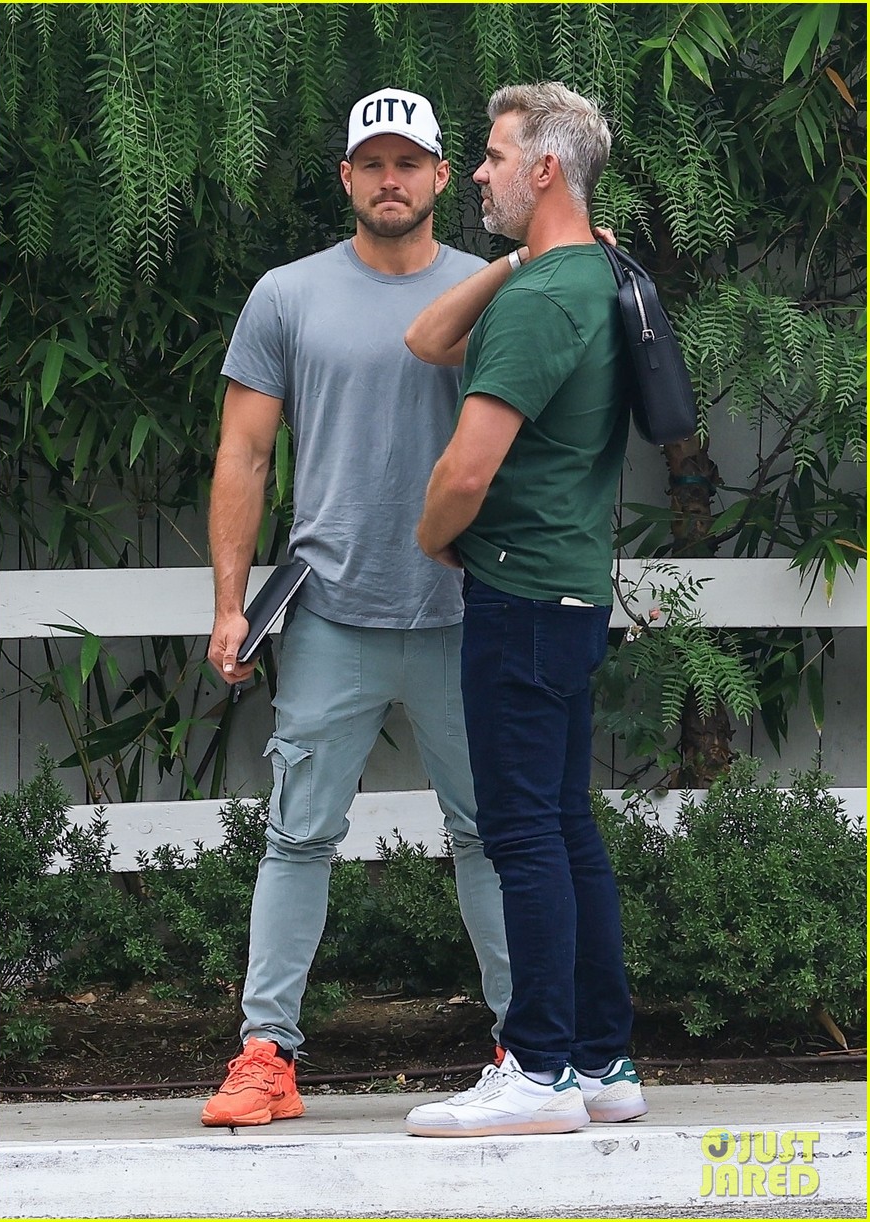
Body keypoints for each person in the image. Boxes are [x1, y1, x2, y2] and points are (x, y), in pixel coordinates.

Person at [201, 88, 515, 1127]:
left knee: (491, 836)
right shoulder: (287, 295)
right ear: (346, 176)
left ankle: (529, 1046)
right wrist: (230, 605)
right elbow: (244, 454)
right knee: (296, 836)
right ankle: (265, 1055)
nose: (390, 179)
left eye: (408, 162)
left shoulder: (489, 289)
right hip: (329, 611)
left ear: (440, 176)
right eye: (371, 162)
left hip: (466, 611)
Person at [405, 82, 648, 1138]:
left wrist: (430, 536)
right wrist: (516, 259)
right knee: (562, 826)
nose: (476, 172)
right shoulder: (583, 277)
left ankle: (538, 1068)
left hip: (517, 591)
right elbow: (425, 338)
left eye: (495, 155)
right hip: (570, 591)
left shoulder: (546, 301)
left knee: (519, 833)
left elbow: (466, 470)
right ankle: (600, 1061)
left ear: (543, 169)